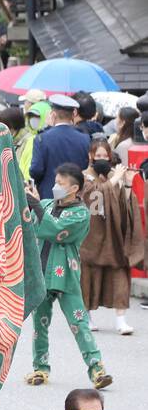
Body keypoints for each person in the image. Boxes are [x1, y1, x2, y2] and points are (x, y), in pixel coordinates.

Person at [25, 163, 112, 388]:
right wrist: (25, 201)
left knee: (78, 321)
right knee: (39, 325)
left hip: (65, 274)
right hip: (42, 273)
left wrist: (35, 204)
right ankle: (40, 369)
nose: (55, 187)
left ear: (74, 189)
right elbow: (28, 226)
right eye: (55, 183)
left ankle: (97, 369)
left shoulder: (81, 213)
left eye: (60, 184)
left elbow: (56, 231)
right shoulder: (46, 204)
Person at [81, 141, 141, 335]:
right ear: (91, 156)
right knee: (90, 276)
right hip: (92, 236)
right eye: (97, 156)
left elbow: (125, 205)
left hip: (113, 235)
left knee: (120, 274)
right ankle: (87, 317)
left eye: (105, 156)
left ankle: (121, 320)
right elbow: (92, 200)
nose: (102, 160)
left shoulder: (114, 175)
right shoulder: (84, 176)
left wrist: (128, 183)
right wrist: (114, 180)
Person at [31, 94, 90, 199]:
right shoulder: (85, 138)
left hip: (49, 196)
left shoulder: (42, 139)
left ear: (53, 114)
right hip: (75, 195)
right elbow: (85, 167)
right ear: (73, 114)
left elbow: (35, 171)